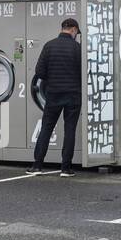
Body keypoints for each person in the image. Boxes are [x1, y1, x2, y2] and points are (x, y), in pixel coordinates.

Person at [27, 18, 82, 177]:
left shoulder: (49, 46)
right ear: (73, 29)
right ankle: (66, 168)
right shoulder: (77, 48)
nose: (76, 35)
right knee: (70, 129)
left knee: (46, 127)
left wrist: (51, 80)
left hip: (53, 94)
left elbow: (40, 72)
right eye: (76, 32)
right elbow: (83, 72)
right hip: (73, 94)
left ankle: (37, 166)